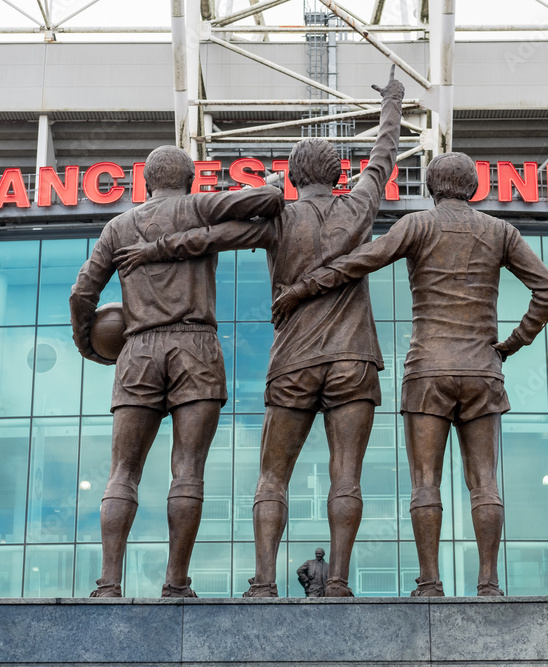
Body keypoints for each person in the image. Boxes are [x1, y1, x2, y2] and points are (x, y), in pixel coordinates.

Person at [113, 66, 404, 597]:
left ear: (291, 177)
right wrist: (392, 103)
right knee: (346, 476)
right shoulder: (360, 204)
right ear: (339, 174)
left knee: (273, 476)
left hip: (293, 361)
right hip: (354, 358)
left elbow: (208, 238)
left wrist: (153, 249)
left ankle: (265, 582)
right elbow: (383, 155)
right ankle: (338, 581)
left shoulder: (278, 220)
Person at [271, 152, 548, 597]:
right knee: (484, 482)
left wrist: (301, 289)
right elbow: (547, 288)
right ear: (474, 188)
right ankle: (488, 583)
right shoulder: (500, 231)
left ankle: (429, 582)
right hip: (482, 369)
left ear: (429, 188)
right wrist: (513, 341)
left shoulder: (418, 225)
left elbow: (359, 261)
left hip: (427, 371)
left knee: (426, 482)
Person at [69, 145, 284, 598]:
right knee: (188, 470)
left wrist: (88, 345)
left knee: (122, 471)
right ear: (189, 181)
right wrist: (272, 184)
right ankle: (176, 583)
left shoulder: (118, 226)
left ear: (146, 183)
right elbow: (267, 201)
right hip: (195, 346)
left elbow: (82, 293)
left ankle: (108, 584)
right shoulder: (198, 207)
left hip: (137, 350)